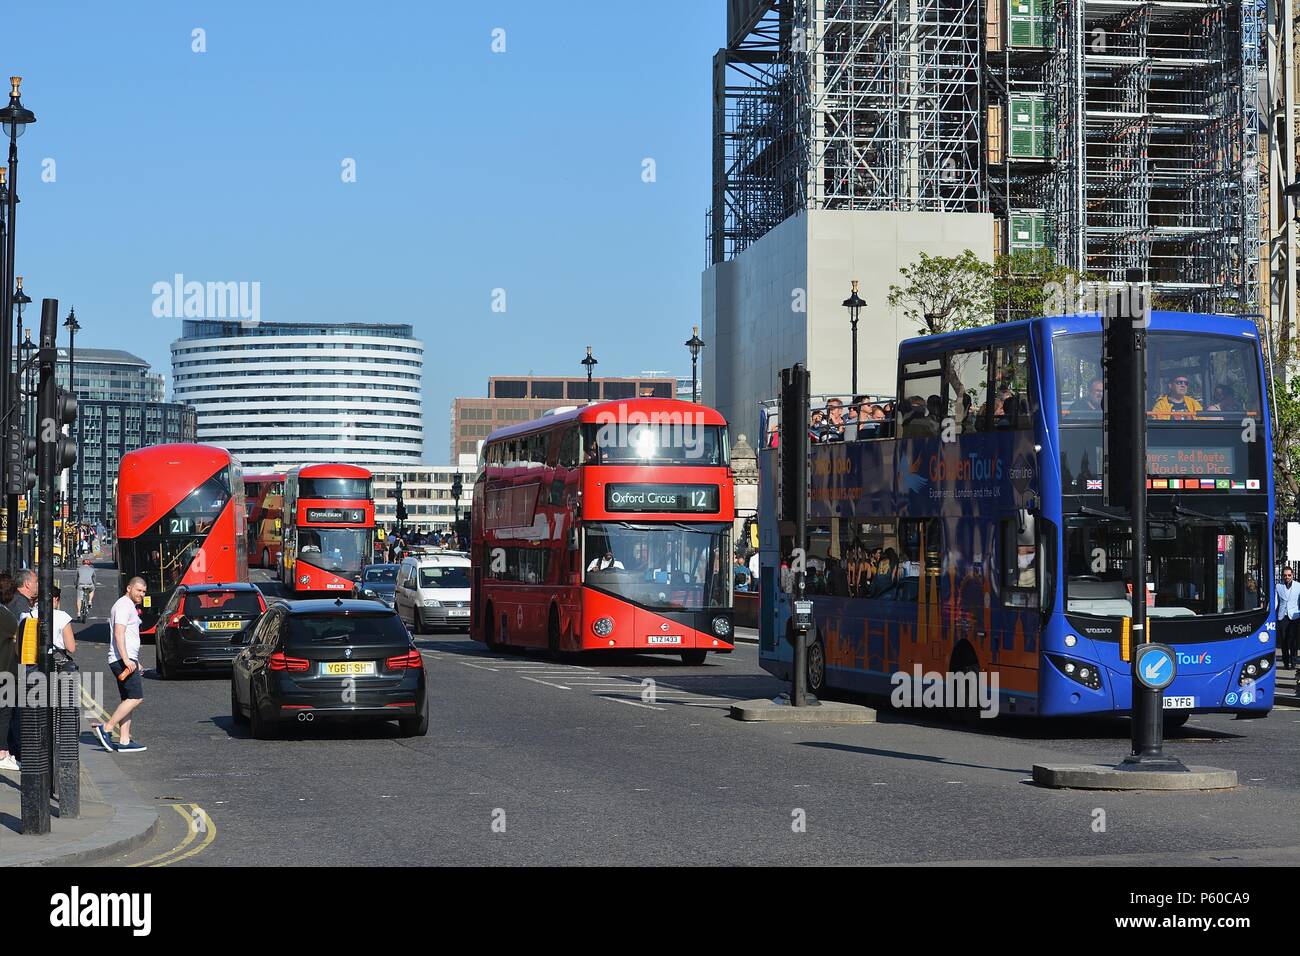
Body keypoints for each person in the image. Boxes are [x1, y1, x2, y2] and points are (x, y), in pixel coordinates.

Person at [92, 576, 148, 754]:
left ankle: (124, 740)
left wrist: (135, 660)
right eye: (138, 590)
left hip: (127, 658)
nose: (141, 594)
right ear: (129, 588)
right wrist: (126, 660)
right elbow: (119, 633)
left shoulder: (128, 605)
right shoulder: (124, 605)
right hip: (122, 659)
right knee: (136, 698)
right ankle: (107, 728)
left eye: (144, 591)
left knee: (127, 699)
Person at [1277, 566, 1300, 669]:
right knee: (1284, 640)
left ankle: (1294, 660)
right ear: (1282, 576)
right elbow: (1276, 602)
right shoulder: (1278, 586)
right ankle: (1286, 662)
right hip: (1282, 616)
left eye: (1289, 575)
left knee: (1293, 640)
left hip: (1295, 616)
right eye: (1285, 575)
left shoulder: (1298, 586)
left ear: (1292, 575)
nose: (1287, 577)